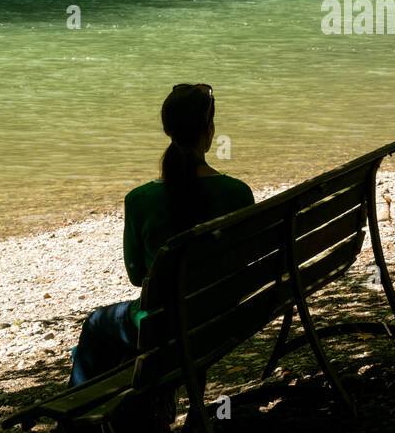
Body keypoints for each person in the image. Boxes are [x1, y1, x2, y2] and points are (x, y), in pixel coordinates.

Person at [68, 83, 255, 388]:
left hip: (165, 327)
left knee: (96, 324)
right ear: (210, 130)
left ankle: (79, 422)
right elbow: (248, 260)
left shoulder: (140, 200)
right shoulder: (238, 193)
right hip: (223, 317)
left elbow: (137, 274)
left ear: (168, 129)